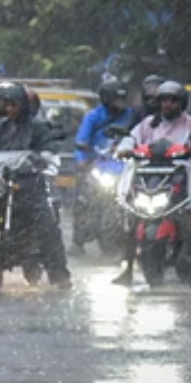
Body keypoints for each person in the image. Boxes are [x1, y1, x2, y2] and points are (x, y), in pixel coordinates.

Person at [0, 83, 73, 290]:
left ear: (23, 104)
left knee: (47, 223)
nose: (9, 109)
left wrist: (42, 158)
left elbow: (48, 148)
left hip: (28, 187)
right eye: (4, 104)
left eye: (13, 104)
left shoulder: (37, 127)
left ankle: (59, 274)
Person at [113, 81, 191, 287]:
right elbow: (131, 139)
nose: (167, 104)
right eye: (164, 100)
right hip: (150, 179)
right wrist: (124, 149)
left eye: (173, 100)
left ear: (182, 103)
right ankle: (127, 269)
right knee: (130, 218)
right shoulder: (148, 124)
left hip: (181, 181)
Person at [71, 80, 135, 253]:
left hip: (125, 167)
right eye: (116, 99)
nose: (120, 103)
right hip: (98, 165)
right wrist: (81, 159)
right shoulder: (93, 116)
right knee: (85, 200)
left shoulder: (131, 115)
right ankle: (78, 240)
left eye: (122, 99)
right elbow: (81, 141)